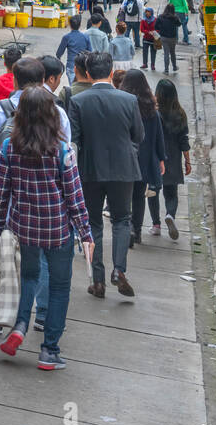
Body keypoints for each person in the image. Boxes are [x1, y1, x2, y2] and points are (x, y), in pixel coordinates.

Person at [0, 86, 95, 370]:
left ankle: (20, 326)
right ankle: (49, 351)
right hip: (58, 229)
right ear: (51, 114)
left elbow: (2, 192)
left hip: (23, 227)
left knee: (28, 277)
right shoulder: (61, 149)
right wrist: (86, 232)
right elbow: (74, 195)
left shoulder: (9, 147)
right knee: (60, 288)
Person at [70, 51, 145, 300]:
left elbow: (74, 141)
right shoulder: (128, 100)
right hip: (124, 169)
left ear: (88, 73)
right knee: (122, 219)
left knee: (93, 225)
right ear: (112, 72)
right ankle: (119, 270)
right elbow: (138, 135)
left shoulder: (79, 101)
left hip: (90, 170)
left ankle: (98, 279)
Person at [0, 57, 71, 197]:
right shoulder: (57, 112)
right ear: (42, 81)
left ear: (15, 81)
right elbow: (65, 150)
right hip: (48, 192)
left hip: (10, 191)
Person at [119, 69, 166, 248]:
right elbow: (158, 137)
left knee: (125, 196)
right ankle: (136, 230)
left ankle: (127, 226)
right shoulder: (151, 110)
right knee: (139, 196)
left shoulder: (121, 105)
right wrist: (161, 158)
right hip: (144, 159)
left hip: (124, 157)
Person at [152, 78, 192, 240]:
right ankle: (170, 215)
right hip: (173, 158)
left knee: (153, 191)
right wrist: (187, 161)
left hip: (155, 158)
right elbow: (184, 140)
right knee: (171, 193)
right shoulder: (180, 114)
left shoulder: (154, 113)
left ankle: (156, 225)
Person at [55, 15, 91, 84]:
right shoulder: (85, 37)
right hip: (84, 66)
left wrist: (59, 59)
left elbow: (59, 53)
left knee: (73, 87)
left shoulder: (66, 37)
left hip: (71, 66)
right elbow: (90, 51)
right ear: (80, 25)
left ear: (70, 25)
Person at [155, 3, 182, 74]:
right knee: (172, 52)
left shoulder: (160, 17)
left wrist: (161, 28)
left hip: (164, 37)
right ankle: (174, 67)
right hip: (173, 37)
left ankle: (166, 70)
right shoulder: (175, 17)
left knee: (166, 52)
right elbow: (179, 24)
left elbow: (156, 27)